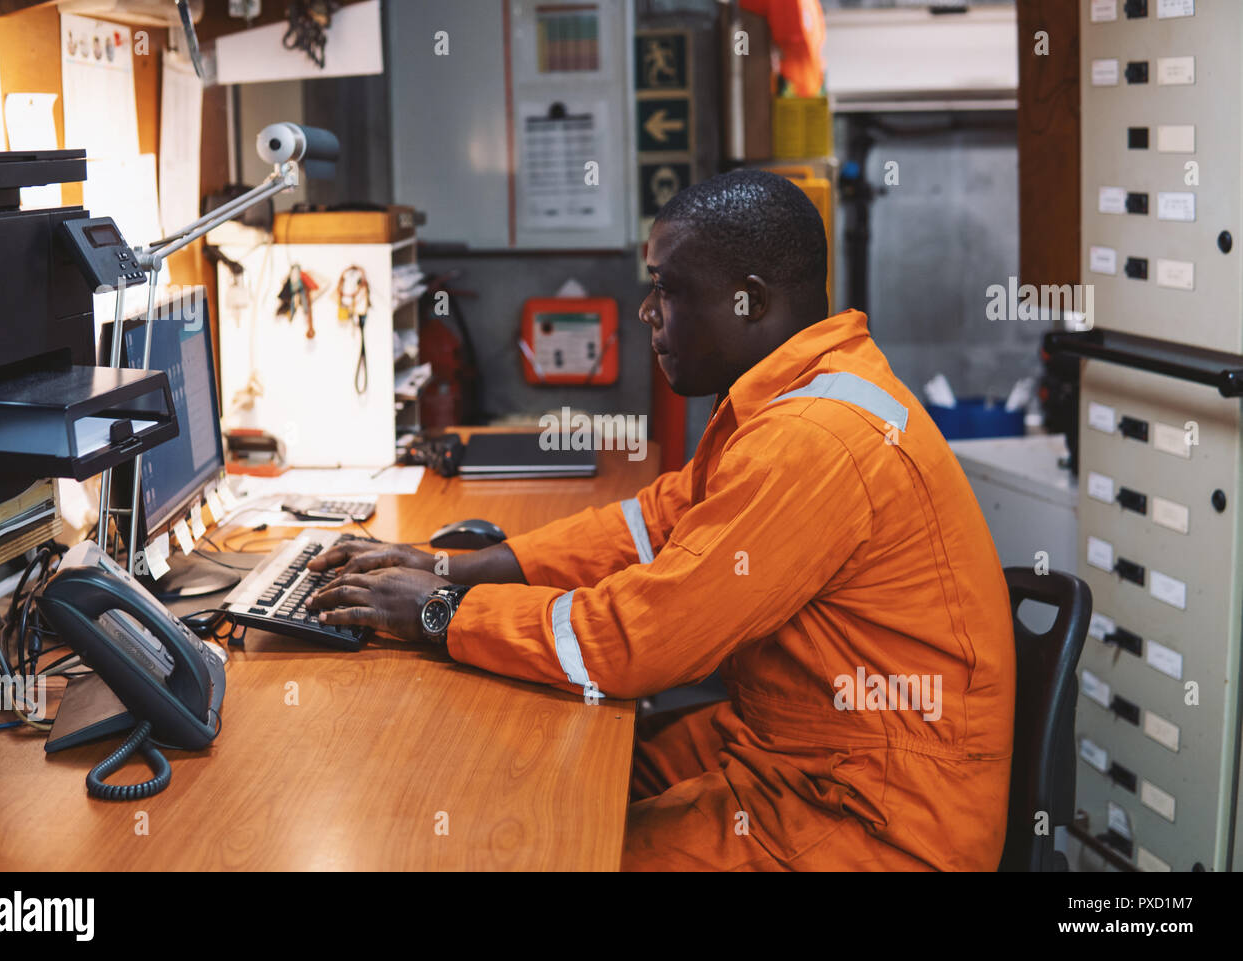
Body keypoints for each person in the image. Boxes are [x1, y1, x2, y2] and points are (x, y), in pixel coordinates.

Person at [305, 169, 1015, 871]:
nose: (648, 311)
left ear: (749, 302)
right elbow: (651, 523)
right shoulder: (793, 391)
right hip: (799, 747)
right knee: (544, 781)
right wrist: (442, 565)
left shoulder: (813, 440)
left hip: (877, 819)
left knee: (545, 845)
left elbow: (634, 642)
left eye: (668, 290)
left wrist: (437, 613)